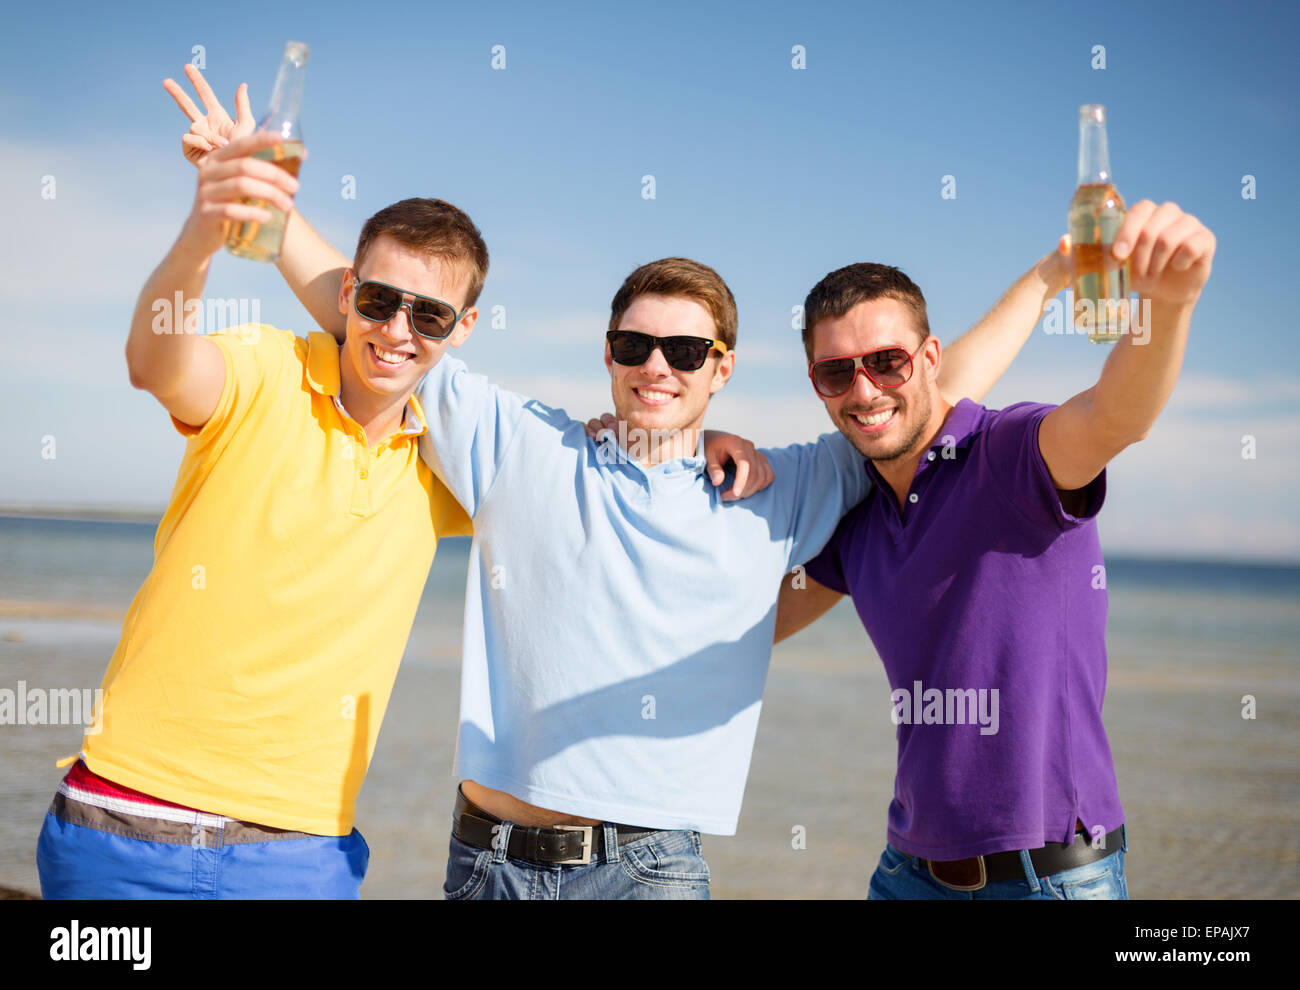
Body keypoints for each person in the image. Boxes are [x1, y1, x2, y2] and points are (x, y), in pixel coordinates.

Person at [169, 66, 1071, 899]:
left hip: (649, 871)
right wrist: (261, 198)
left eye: (684, 351)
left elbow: (927, 399)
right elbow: (380, 314)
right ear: (608, 353)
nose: (656, 367)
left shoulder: (783, 486)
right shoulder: (519, 445)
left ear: (721, 367)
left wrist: (1048, 277)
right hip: (487, 860)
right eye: (636, 345)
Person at [35, 127, 484, 898]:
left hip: (299, 855)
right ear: (347, 295)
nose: (395, 331)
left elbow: (585, 482)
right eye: (378, 301)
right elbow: (155, 363)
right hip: (124, 825)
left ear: (463, 328)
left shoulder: (451, 460)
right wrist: (204, 234)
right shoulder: (267, 366)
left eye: (430, 317)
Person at [776, 203, 1216, 899]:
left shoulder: (1008, 457)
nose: (864, 390)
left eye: (887, 362)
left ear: (929, 360)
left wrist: (1170, 303)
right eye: (837, 373)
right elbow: (749, 626)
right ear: (816, 385)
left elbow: (1114, 417)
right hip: (906, 872)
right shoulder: (858, 519)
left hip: (1049, 878)